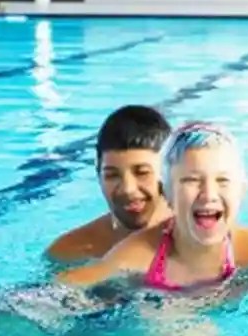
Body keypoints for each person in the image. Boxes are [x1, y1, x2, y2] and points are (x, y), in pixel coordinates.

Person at [56, 120, 248, 300]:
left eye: (222, 180)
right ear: (167, 195)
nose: (208, 194)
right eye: (191, 180)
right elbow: (69, 286)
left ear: (242, 191)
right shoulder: (140, 254)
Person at [46, 105, 173, 265]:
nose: (128, 189)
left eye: (142, 172)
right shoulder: (69, 251)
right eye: (112, 175)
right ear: (98, 174)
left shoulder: (203, 241)